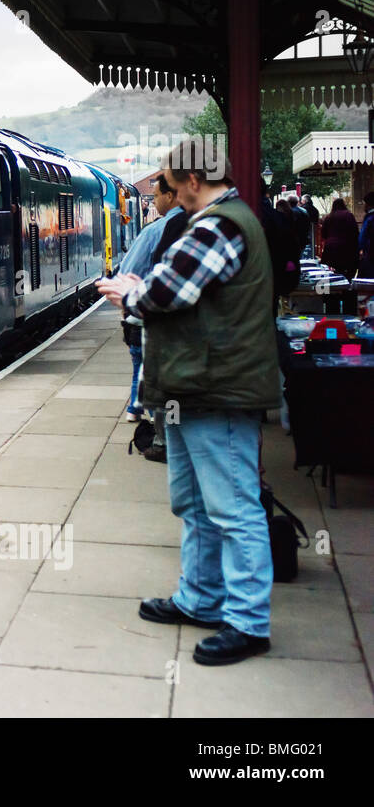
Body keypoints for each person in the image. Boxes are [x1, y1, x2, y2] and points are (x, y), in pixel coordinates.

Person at [96, 146, 278, 666]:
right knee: (194, 502)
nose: (171, 197)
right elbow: (181, 290)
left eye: (174, 186)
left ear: (195, 179)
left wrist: (130, 292)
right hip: (189, 387)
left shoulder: (218, 226)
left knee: (233, 508)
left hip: (215, 388)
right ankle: (200, 598)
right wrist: (144, 288)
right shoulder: (223, 222)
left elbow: (166, 294)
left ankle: (248, 621)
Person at [117, 177, 185, 427]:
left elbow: (127, 273)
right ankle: (161, 425)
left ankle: (161, 432)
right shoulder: (204, 225)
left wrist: (128, 303)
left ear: (171, 196)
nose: (153, 202)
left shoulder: (156, 230)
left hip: (151, 322)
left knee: (149, 372)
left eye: (155, 196)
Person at [319, 198, 359, 279]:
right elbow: (354, 231)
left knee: (333, 269)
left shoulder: (329, 217)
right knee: (348, 268)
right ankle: (347, 286)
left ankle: (335, 287)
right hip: (346, 246)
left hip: (331, 247)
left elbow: (323, 233)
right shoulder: (348, 215)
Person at [359, 190, 374, 279]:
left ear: (368, 204)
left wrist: (360, 248)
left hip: (370, 254)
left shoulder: (369, 218)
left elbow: (362, 238)